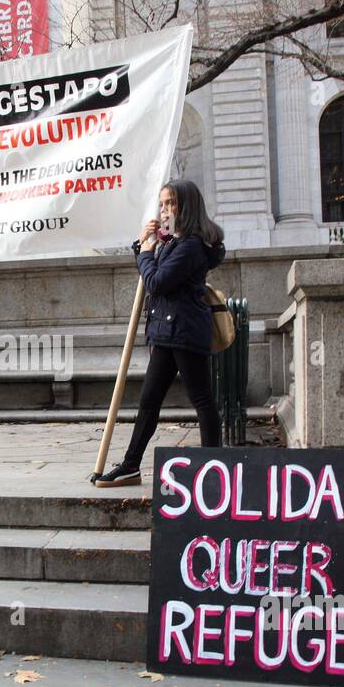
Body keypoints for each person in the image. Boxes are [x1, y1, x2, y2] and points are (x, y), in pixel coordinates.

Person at [94, 179, 225, 488]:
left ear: (186, 207)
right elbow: (152, 269)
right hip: (167, 331)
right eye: (163, 203)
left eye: (172, 204)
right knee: (149, 402)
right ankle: (130, 465)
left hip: (184, 331)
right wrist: (144, 245)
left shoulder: (191, 245)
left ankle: (217, 469)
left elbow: (156, 282)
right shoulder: (175, 242)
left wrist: (146, 252)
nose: (165, 210)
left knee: (202, 401)